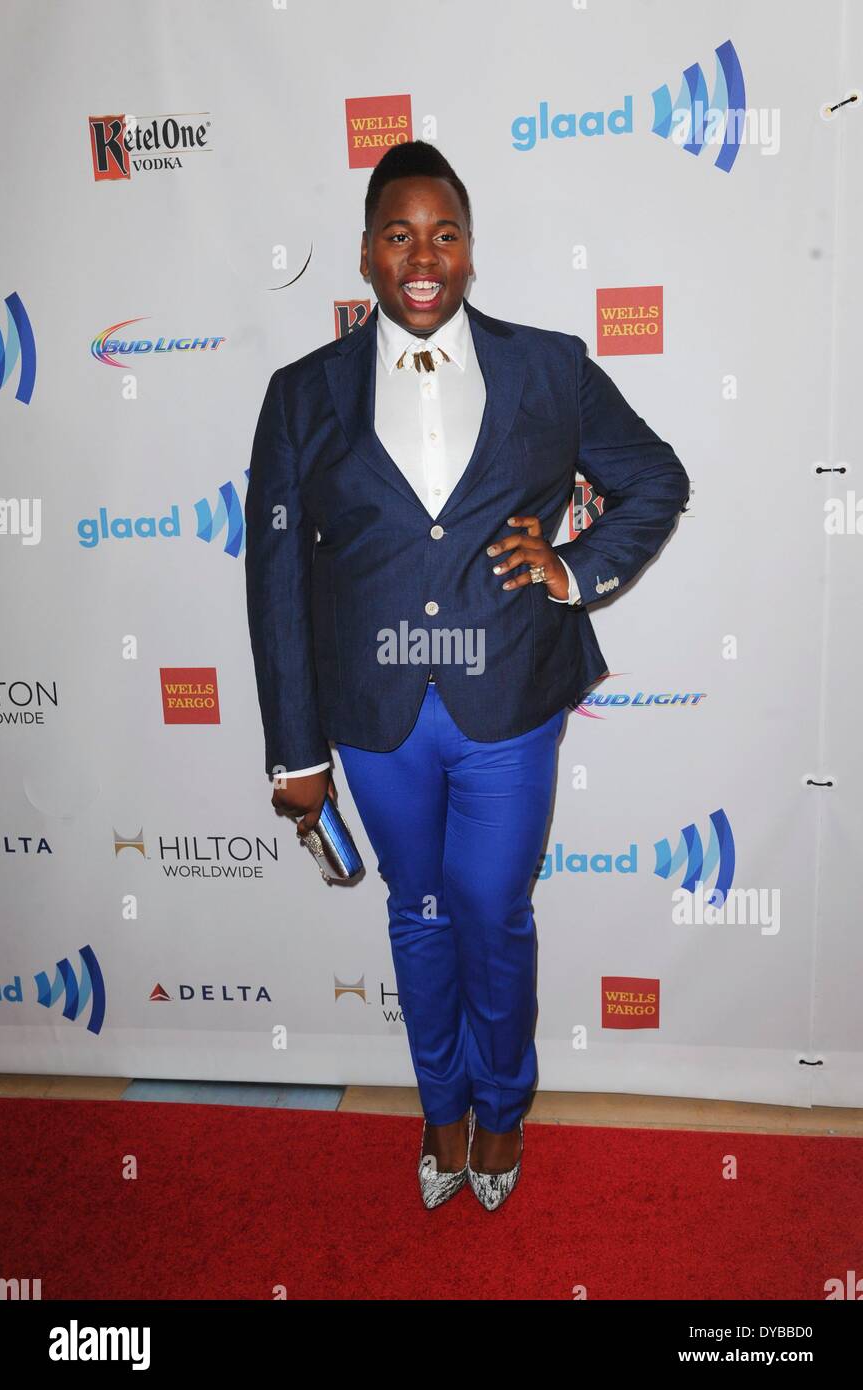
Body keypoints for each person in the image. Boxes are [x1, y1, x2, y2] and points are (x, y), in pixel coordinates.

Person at [245, 139, 690, 1212]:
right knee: (423, 910)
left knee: (494, 910)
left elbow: (656, 480)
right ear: (365, 254)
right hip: (376, 714)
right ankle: (439, 1105)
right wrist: (295, 751)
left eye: (444, 233)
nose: (423, 256)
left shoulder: (548, 366)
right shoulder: (301, 395)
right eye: (399, 234)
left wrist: (574, 570)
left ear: (471, 250)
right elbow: (273, 582)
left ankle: (502, 1109)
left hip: (509, 704)